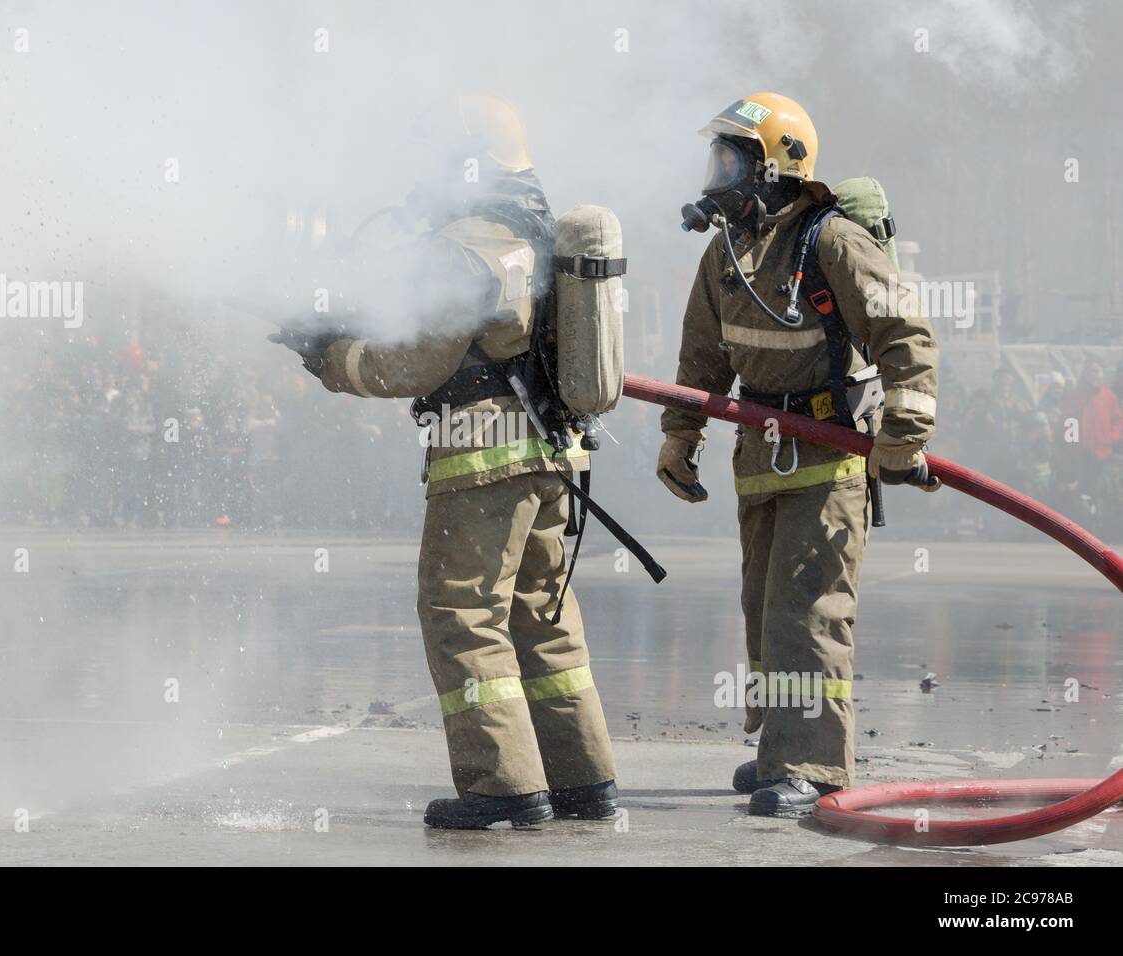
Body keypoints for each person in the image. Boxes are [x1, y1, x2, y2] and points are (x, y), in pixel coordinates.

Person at [274, 94, 618, 828]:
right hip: (550, 452)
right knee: (541, 616)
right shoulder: (536, 233)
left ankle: (501, 786)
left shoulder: (464, 243)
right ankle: (583, 780)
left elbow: (416, 365)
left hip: (482, 453)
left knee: (463, 612)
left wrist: (332, 357)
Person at [657, 92, 940, 816]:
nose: (716, 175)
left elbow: (905, 337)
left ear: (777, 164)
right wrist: (679, 436)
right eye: (714, 158)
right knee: (762, 613)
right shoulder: (725, 254)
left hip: (829, 457)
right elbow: (701, 359)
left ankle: (813, 764)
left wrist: (904, 436)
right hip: (761, 460)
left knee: (808, 615)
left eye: (731, 160)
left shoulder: (832, 241)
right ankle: (780, 748)